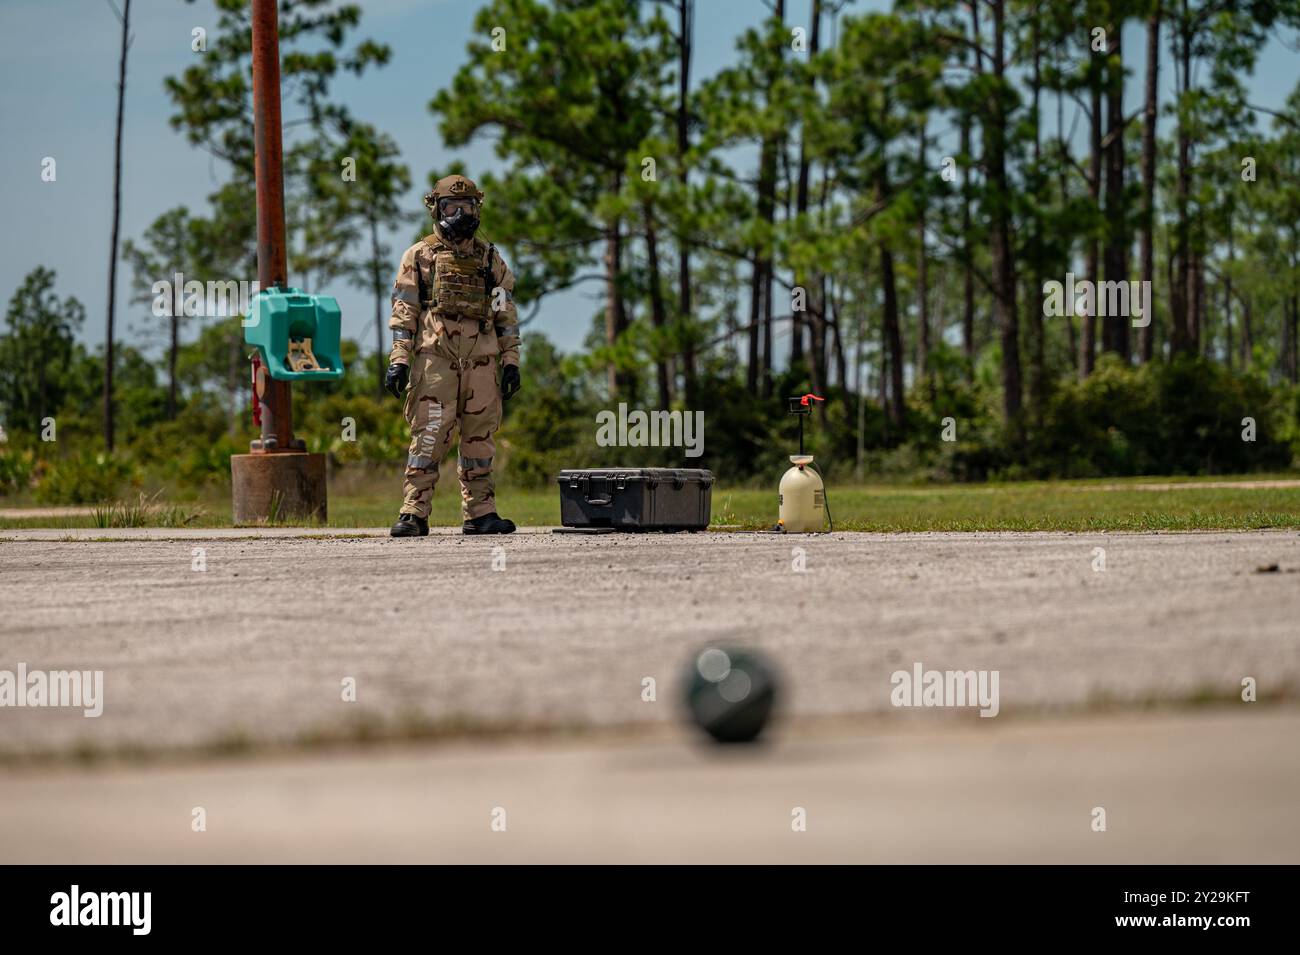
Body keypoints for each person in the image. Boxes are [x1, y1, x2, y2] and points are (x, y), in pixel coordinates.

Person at [384, 174, 521, 537]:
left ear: (478, 208)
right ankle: (414, 511)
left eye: (467, 206)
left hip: (481, 363)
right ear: (436, 208)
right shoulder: (419, 255)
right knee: (429, 435)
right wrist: (399, 360)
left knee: (479, 440)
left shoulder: (490, 258)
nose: (460, 214)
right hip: (436, 361)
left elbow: (505, 313)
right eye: (451, 207)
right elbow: (404, 312)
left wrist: (511, 362)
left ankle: (480, 513)